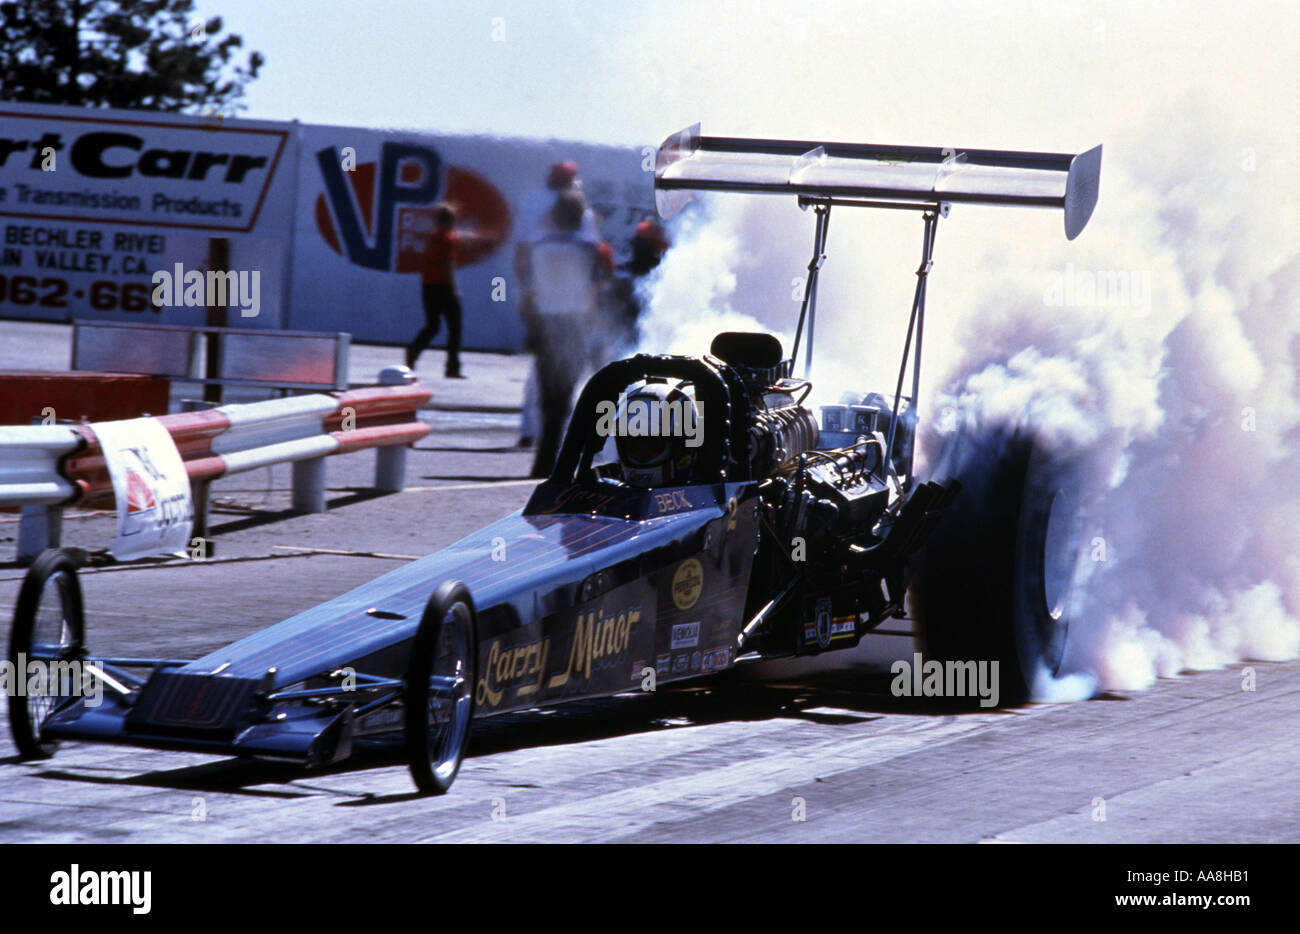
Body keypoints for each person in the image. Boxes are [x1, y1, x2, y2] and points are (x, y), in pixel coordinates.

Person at [516, 161, 606, 445]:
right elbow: (597, 269)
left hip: (544, 307)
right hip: (574, 312)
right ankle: (558, 438)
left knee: (540, 376)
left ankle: (531, 430)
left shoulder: (533, 205)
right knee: (567, 378)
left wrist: (527, 297)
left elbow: (523, 257)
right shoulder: (584, 213)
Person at [406, 204, 465, 378]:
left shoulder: (433, 237)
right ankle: (452, 368)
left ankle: (413, 351)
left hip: (428, 285)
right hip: (444, 287)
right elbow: (448, 264)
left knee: (432, 326)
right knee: (455, 328)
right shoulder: (449, 239)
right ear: (449, 221)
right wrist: (455, 289)